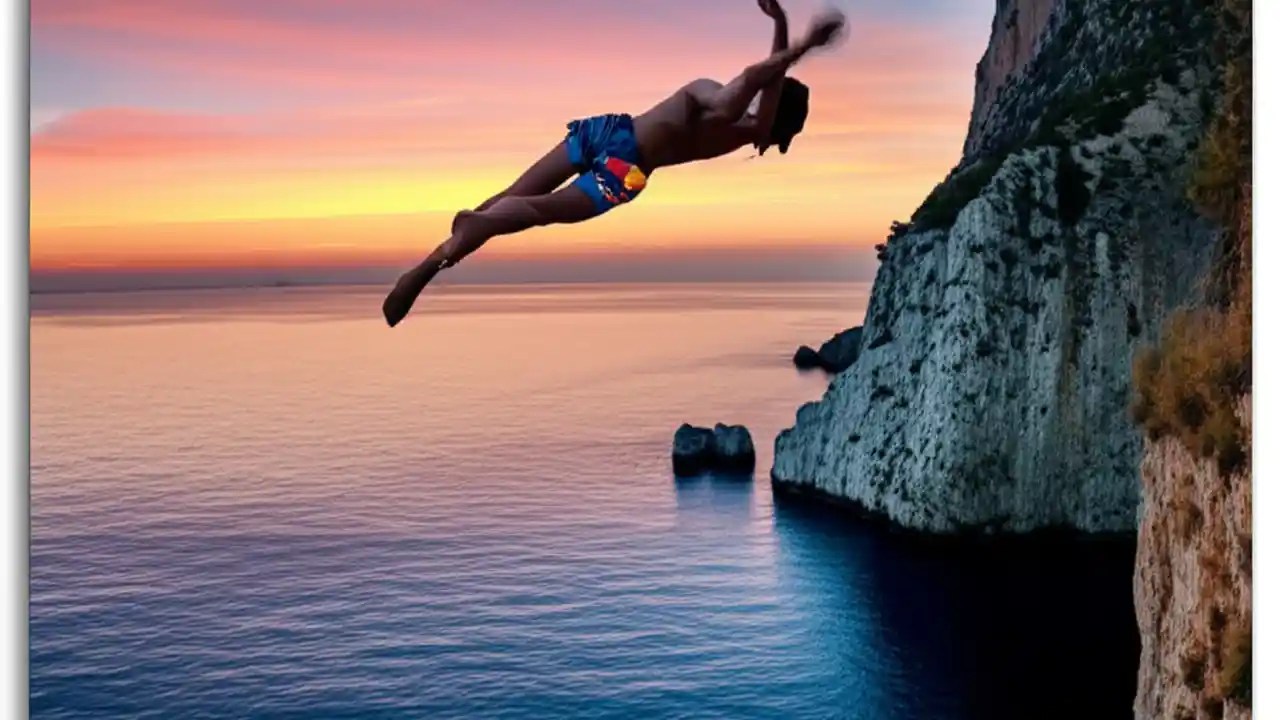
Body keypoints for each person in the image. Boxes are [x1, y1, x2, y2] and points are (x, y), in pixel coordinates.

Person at [383, 1, 846, 326]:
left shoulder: (718, 100)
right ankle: (447, 252)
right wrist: (787, 31)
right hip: (625, 171)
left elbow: (761, 78)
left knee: (511, 201)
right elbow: (763, 81)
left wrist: (797, 39)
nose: (768, 140)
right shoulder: (737, 124)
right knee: (529, 211)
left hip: (608, 131)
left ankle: (442, 253)